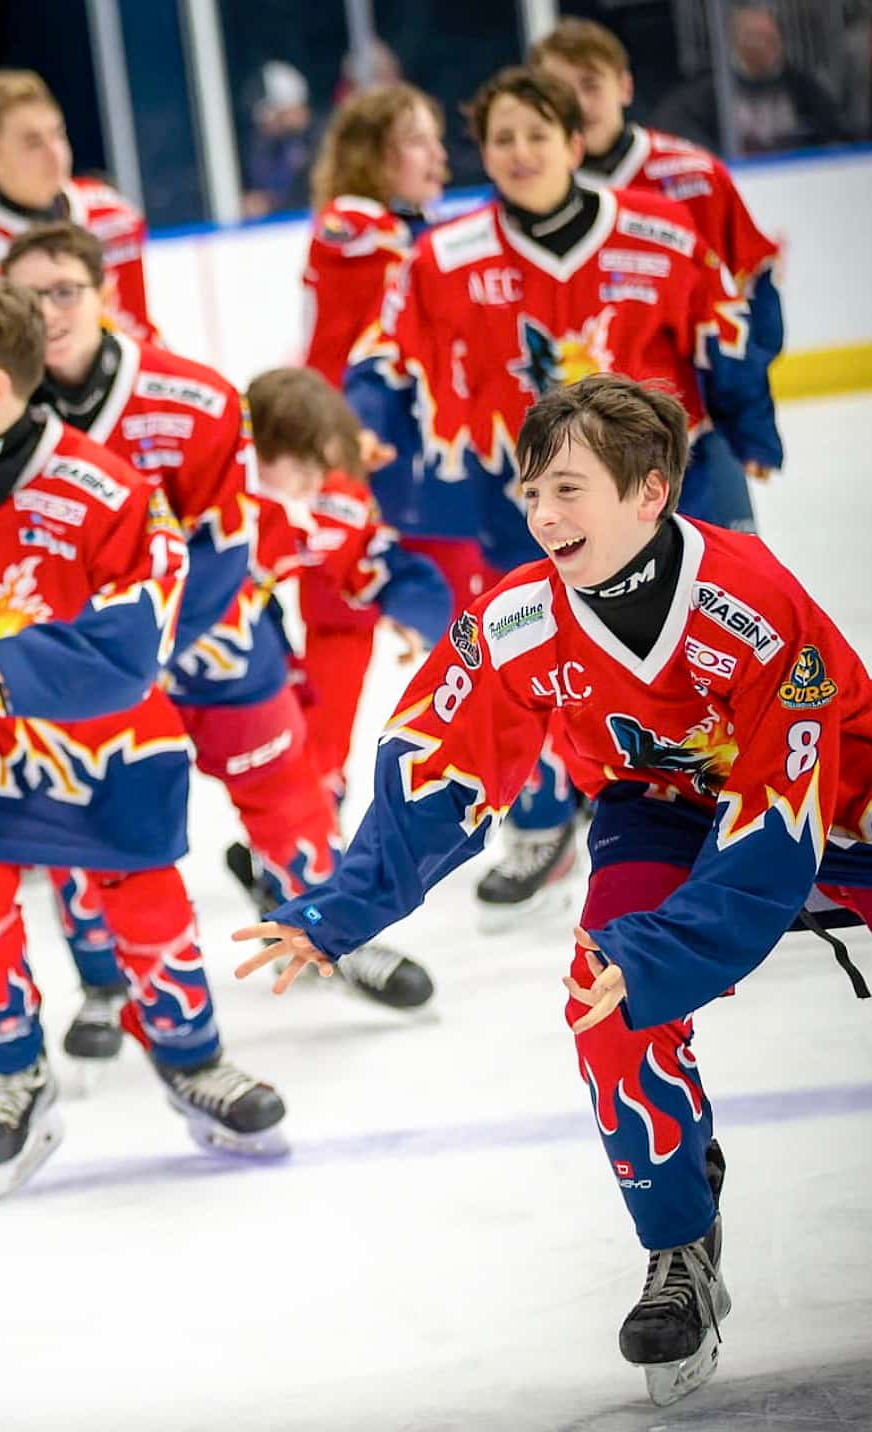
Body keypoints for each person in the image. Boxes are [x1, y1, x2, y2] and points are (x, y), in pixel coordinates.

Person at [234, 374, 872, 1409]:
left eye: (566, 488)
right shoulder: (515, 619)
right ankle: (677, 1243)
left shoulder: (752, 605)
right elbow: (434, 768)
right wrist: (336, 911)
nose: (538, 513)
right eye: (530, 488)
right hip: (656, 808)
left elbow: (776, 818)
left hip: (833, 795)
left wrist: (671, 950)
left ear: (649, 493)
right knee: (599, 997)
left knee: (644, 957)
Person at [0, 277, 289, 1189]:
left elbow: (134, 640)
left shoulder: (106, 486)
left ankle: (193, 1063)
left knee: (149, 904)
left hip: (105, 748)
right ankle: (14, 1076)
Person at [344, 66, 782, 931]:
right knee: (532, 666)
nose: (517, 152)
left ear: (574, 142)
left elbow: (724, 333)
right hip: (524, 499)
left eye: (535, 134)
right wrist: (363, 425)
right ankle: (545, 821)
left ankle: (757, 811)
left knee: (720, 646)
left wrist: (752, 428)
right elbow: (386, 356)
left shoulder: (659, 232)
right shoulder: (444, 254)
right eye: (500, 138)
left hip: (670, 485)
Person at [5, 221, 436, 1016]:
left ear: (103, 293)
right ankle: (106, 983)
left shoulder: (191, 396)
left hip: (218, 648)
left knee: (290, 796)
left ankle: (335, 931)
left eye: (65, 289)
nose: (50, 309)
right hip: (88, 668)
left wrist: (153, 641)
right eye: (30, 295)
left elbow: (235, 541)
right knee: (83, 821)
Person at [532, 16, 785, 530]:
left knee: (728, 579)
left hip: (696, 435)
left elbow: (749, 295)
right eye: (562, 89)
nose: (579, 103)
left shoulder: (694, 177)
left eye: (591, 84)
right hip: (579, 445)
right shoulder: (536, 198)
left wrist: (750, 421)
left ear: (624, 86)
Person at [244, 366, 451, 802]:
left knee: (323, 728)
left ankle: (319, 812)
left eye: (310, 474)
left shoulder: (335, 503)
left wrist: (404, 610)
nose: (309, 485)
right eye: (299, 476)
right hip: (300, 611)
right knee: (279, 717)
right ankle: (293, 816)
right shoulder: (274, 482)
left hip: (343, 624)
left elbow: (307, 551)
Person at [300, 82, 450, 575]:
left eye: (436, 139)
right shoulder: (352, 224)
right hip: (351, 434)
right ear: (373, 156)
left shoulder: (418, 229)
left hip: (404, 437)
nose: (437, 154)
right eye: (415, 141)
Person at [0, 69, 154, 342]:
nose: (55, 154)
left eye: (58, 134)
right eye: (33, 143)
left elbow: (140, 326)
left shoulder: (113, 213)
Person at [655, 2, 847, 156]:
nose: (769, 44)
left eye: (772, 36)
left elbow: (834, 133)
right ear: (735, 40)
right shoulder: (707, 90)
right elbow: (673, 128)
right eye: (757, 36)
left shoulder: (801, 86)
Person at [243, 61, 318, 219]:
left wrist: (271, 205)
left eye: (276, 114)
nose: (266, 125)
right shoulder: (269, 145)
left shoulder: (324, 139)